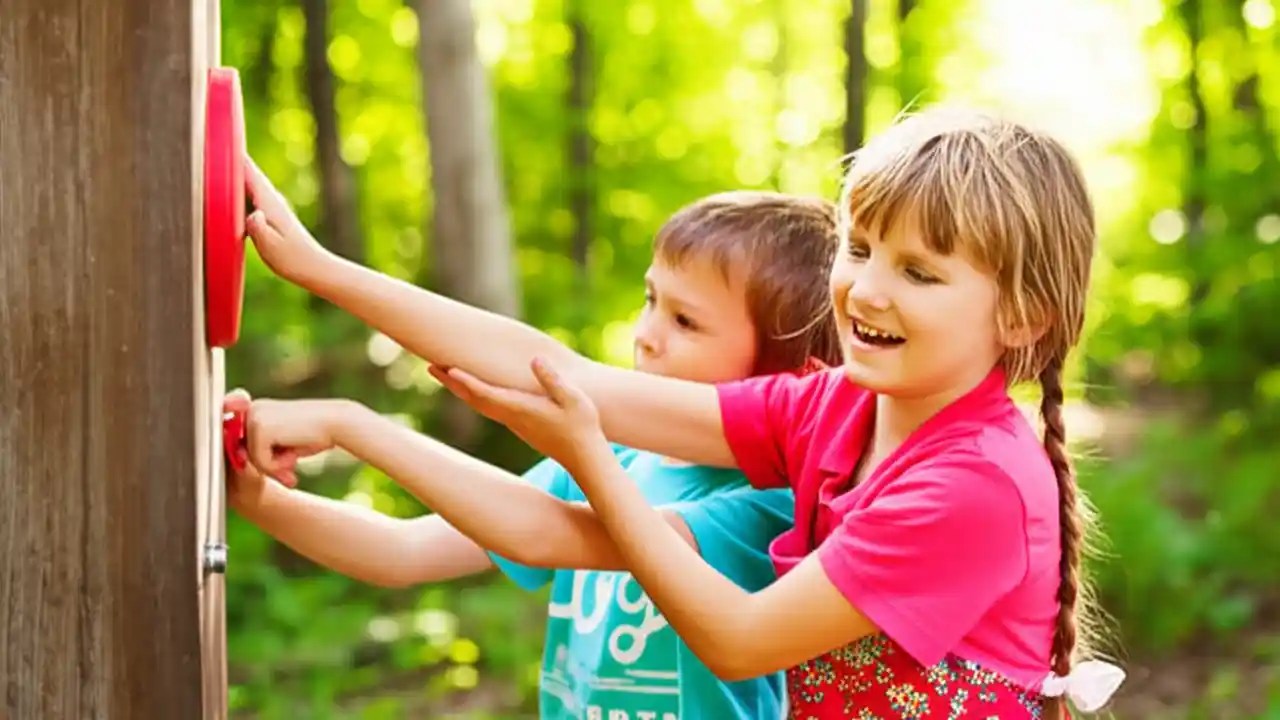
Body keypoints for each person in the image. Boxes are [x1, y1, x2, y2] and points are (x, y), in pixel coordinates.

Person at [241, 106, 1127, 717]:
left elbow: (740, 640)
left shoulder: (975, 485)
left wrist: (586, 452)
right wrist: (320, 270)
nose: (866, 288)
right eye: (860, 247)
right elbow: (563, 374)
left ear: (1022, 316)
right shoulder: (833, 409)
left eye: (920, 272)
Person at [228, 190, 843, 719]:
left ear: (790, 380)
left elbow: (537, 533)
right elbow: (406, 550)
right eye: (651, 300)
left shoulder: (772, 508)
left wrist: (352, 425)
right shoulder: (615, 456)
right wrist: (257, 497)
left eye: (685, 321)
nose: (646, 334)